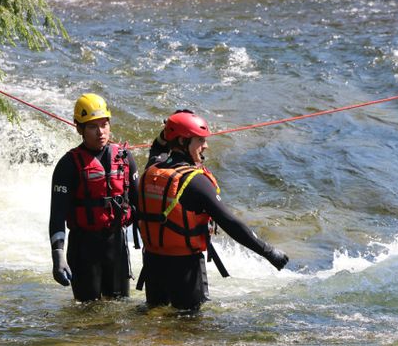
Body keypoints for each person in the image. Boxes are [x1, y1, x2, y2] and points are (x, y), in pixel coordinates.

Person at [136, 110, 289, 311]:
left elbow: (158, 146)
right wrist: (268, 252)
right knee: (190, 331)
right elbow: (230, 223)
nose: (205, 145)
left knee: (157, 326)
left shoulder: (152, 169)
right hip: (185, 271)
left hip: (153, 267)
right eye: (200, 140)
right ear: (183, 141)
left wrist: (169, 130)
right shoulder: (194, 182)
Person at [49, 93, 139, 301]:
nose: (101, 132)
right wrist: (58, 256)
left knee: (119, 311)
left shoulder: (125, 159)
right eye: (92, 126)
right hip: (83, 249)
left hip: (116, 246)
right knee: (86, 313)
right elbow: (57, 216)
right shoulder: (67, 165)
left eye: (104, 124)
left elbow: (139, 206)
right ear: (79, 128)